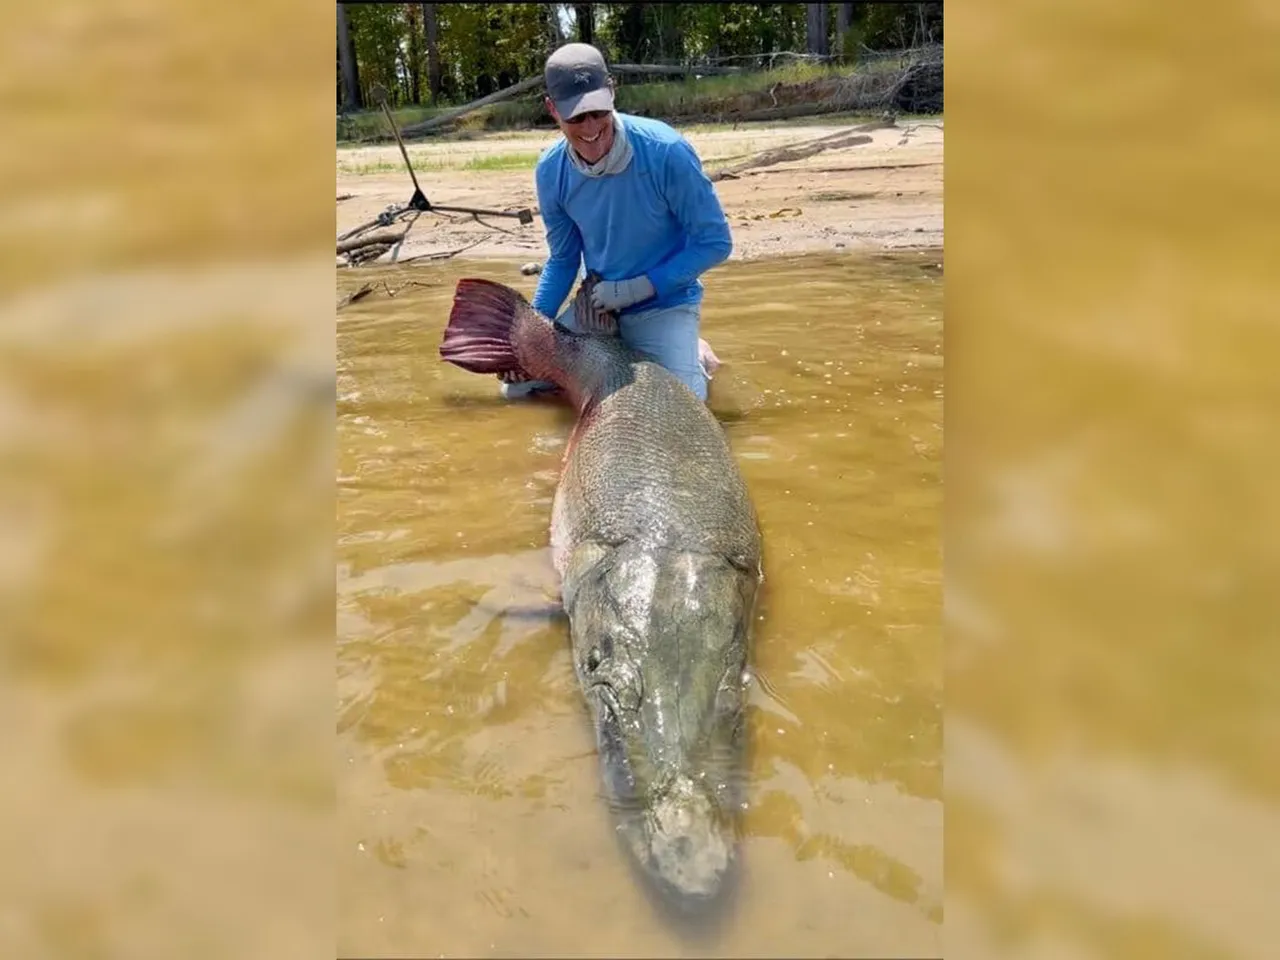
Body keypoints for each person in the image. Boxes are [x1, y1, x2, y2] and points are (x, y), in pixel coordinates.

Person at [501, 42, 731, 403]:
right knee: (517, 390)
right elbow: (563, 260)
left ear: (612, 93)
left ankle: (693, 353)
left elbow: (715, 242)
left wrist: (640, 288)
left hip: (665, 303)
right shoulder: (551, 170)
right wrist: (534, 331)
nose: (590, 127)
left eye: (597, 111)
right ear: (552, 110)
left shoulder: (666, 151)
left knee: (685, 405)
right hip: (598, 309)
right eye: (575, 117)